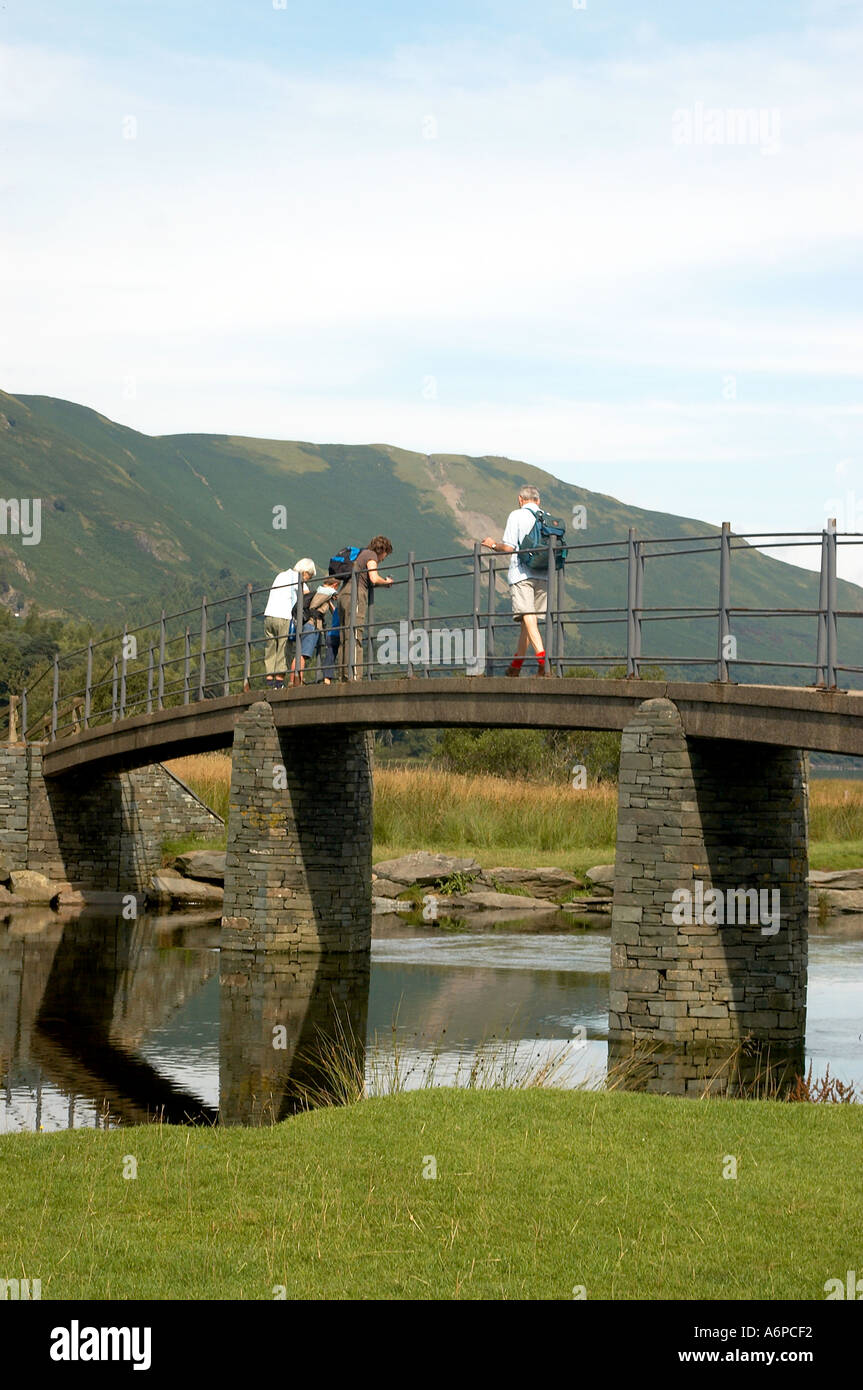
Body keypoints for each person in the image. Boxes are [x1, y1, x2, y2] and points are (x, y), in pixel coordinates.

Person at [482, 487, 550, 676]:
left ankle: (542, 658)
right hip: (544, 573)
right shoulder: (546, 516)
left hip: (522, 573)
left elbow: (510, 547)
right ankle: (516, 666)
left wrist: (493, 545)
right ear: (537, 501)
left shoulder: (516, 515)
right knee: (528, 622)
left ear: (521, 499)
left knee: (527, 616)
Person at [338, 535, 393, 680]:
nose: (382, 559)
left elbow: (369, 580)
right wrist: (386, 581)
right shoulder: (371, 555)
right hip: (355, 595)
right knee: (355, 635)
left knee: (345, 637)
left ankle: (344, 676)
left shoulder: (361, 555)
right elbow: (374, 577)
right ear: (382, 550)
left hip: (344, 593)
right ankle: (355, 677)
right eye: (384, 556)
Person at [263, 558, 316, 691]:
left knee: (270, 648)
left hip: (269, 615)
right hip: (284, 617)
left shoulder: (281, 575)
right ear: (305, 572)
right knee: (284, 649)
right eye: (308, 577)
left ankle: (269, 681)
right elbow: (306, 596)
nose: (307, 580)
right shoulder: (298, 579)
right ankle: (279, 683)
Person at [296, 575, 340, 685]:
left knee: (301, 653)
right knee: (303, 654)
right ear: (334, 585)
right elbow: (342, 597)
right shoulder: (328, 591)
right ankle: (297, 680)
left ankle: (298, 679)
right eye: (337, 587)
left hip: (308, 623)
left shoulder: (319, 590)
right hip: (313, 624)